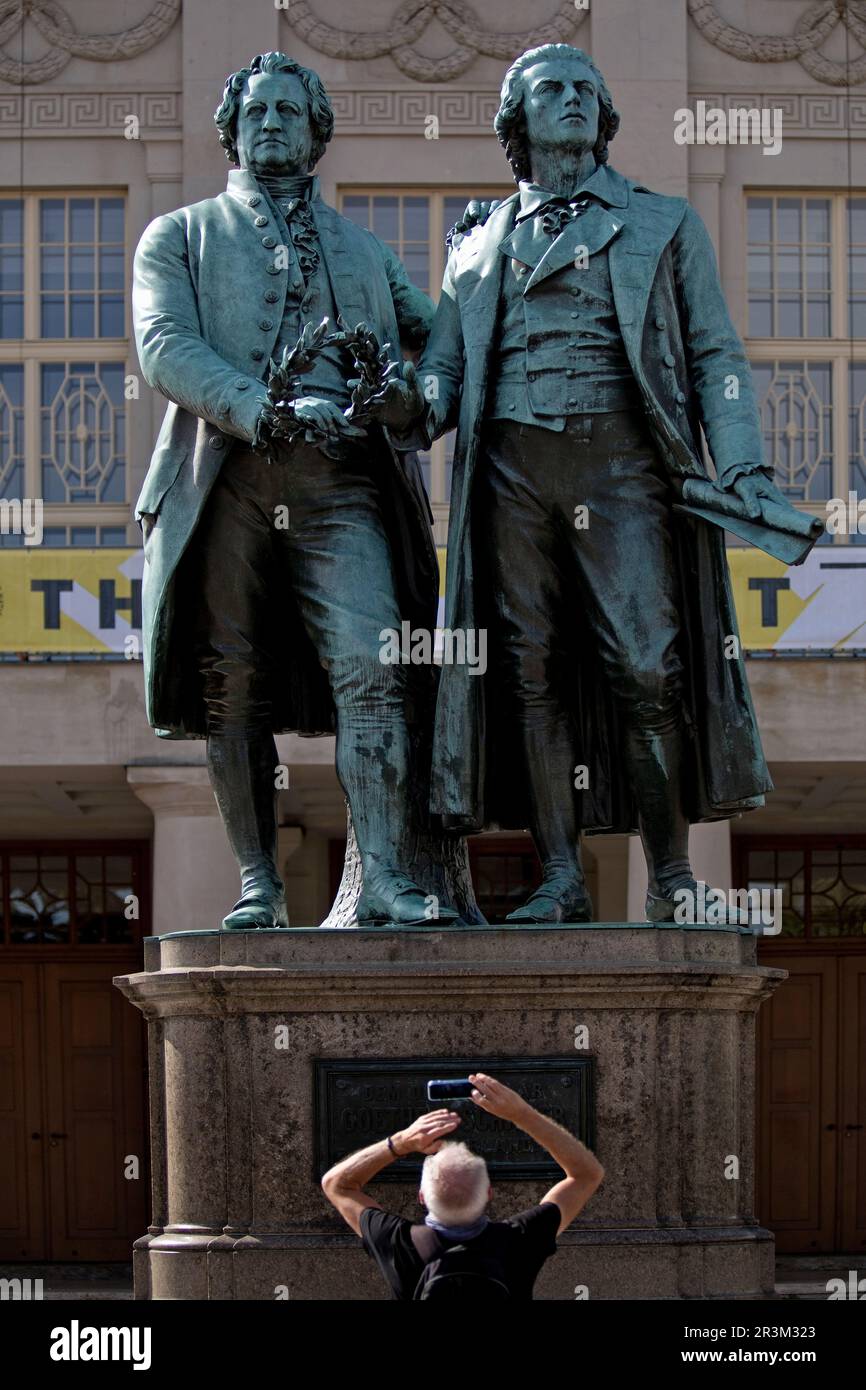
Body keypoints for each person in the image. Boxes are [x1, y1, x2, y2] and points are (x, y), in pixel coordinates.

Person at [366, 44, 805, 925]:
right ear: (517, 121)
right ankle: (561, 876)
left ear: (603, 116)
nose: (569, 101)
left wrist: (744, 467)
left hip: (621, 467)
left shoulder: (662, 222)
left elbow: (717, 355)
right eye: (549, 91)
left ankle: (672, 877)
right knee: (526, 675)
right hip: (510, 473)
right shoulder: (477, 243)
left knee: (648, 668)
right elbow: (447, 378)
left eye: (584, 91)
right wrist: (405, 398)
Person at [133, 51, 485, 929]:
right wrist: (261, 408)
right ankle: (259, 882)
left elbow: (443, 344)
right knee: (233, 685)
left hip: (344, 486)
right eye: (256, 112)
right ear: (232, 129)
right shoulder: (179, 235)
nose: (272, 124)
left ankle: (391, 883)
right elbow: (165, 347)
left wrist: (481, 262)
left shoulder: (363, 249)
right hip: (226, 482)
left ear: (318, 133)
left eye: (290, 112)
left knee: (375, 669)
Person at [321, 1072, 604, 1300]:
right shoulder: (520, 1239)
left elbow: (338, 1185)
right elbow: (586, 1174)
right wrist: (521, 1113)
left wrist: (401, 1142)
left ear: (421, 1196)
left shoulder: (400, 1243)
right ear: (489, 1194)